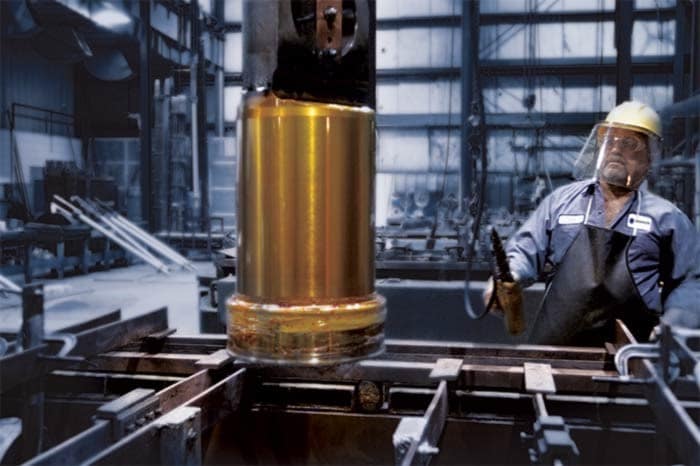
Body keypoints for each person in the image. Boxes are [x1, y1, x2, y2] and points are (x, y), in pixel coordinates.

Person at [485, 101, 700, 346]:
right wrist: (509, 276)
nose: (615, 150)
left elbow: (692, 280)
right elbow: (525, 249)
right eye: (610, 140)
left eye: (629, 143)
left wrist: (675, 324)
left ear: (649, 156)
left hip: (629, 357)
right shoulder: (561, 202)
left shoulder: (666, 219)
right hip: (556, 351)